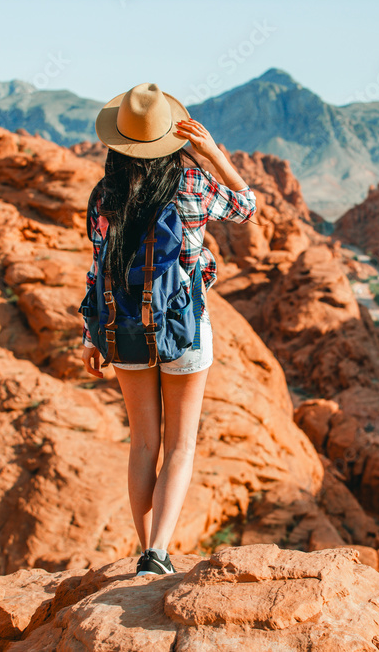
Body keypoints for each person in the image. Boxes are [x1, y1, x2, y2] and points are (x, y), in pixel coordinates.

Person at [80, 82, 256, 576]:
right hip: (184, 328)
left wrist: (91, 335)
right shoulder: (192, 184)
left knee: (143, 444)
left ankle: (145, 555)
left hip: (124, 329)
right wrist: (214, 154)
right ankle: (159, 552)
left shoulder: (103, 195)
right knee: (181, 444)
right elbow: (247, 207)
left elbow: (99, 268)